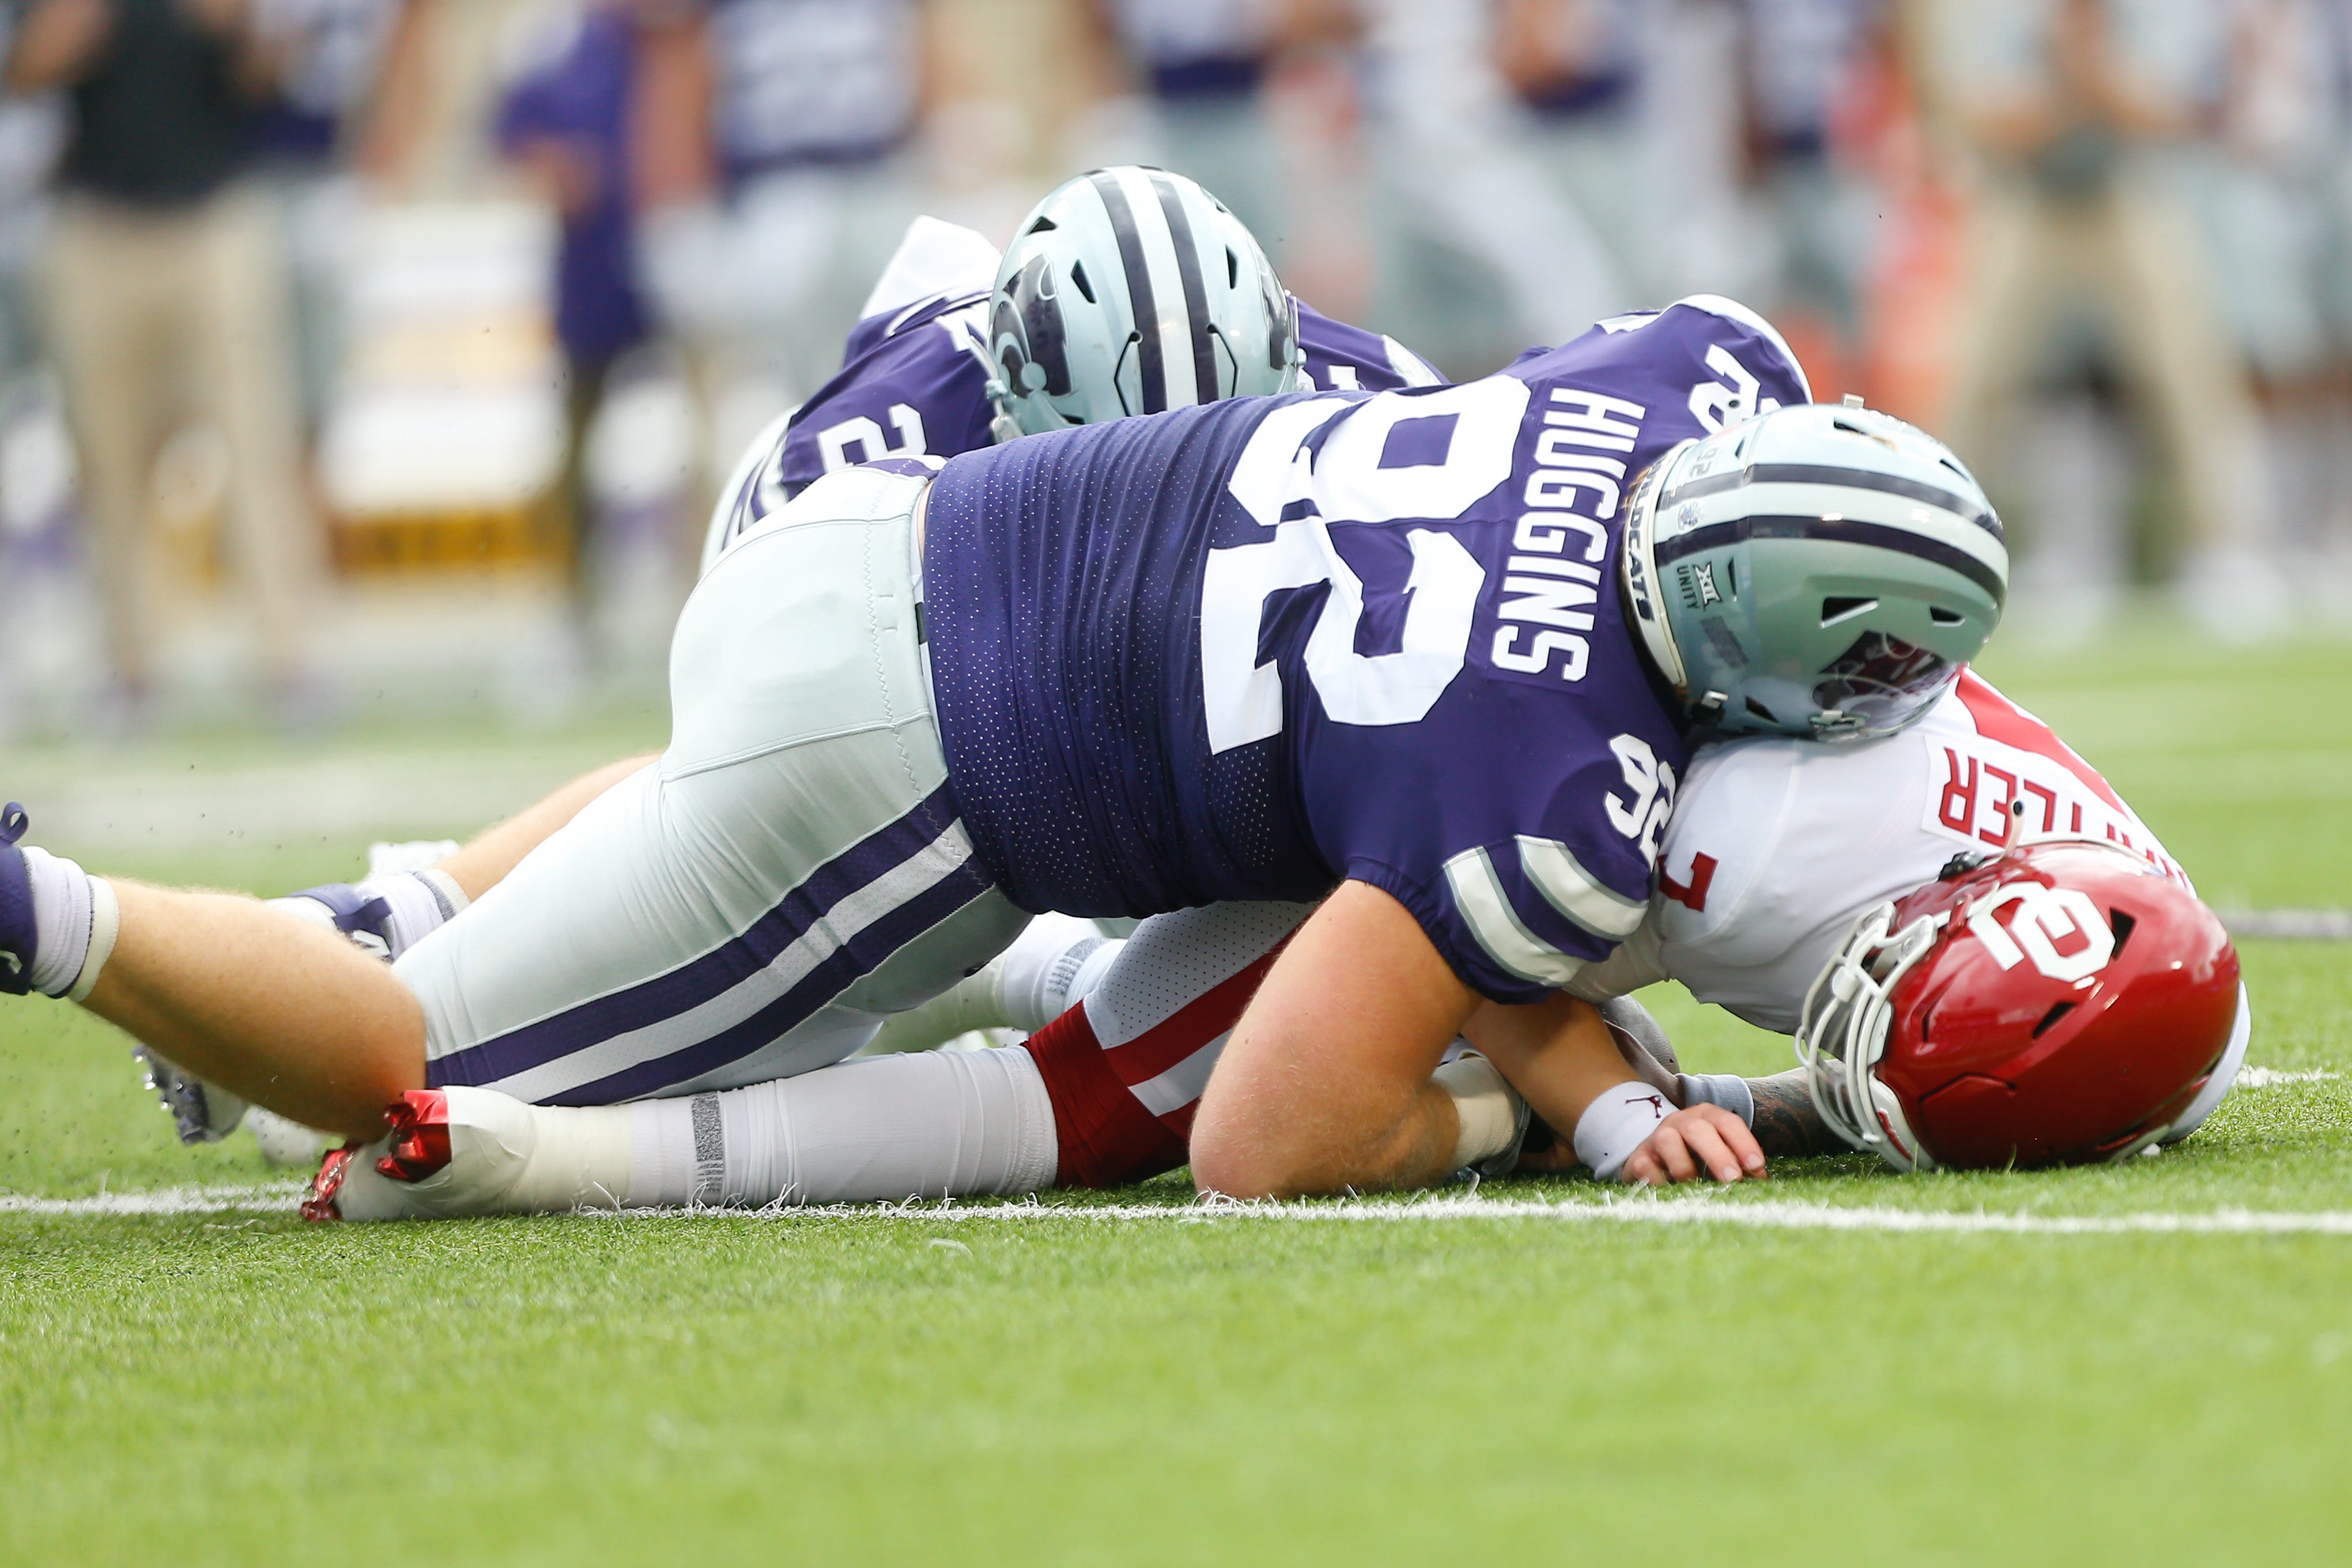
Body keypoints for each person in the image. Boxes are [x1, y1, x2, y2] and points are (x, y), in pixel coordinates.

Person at [3, 293, 2003, 1212]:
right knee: (381, 1088)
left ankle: (346, 911)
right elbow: (1268, 1141)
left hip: (886, 520)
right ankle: (57, 910)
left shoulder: (1678, 370)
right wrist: (1524, 1107)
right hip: (895, 770)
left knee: (680, 868)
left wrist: (1544, 1038)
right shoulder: (1559, 794)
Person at [297, 658, 2245, 1218]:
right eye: (1863, 1011)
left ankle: (413, 903)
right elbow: (1521, 919)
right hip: (1422, 741)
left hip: (1393, 674)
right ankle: (545, 1136)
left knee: (1013, 918)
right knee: (1127, 1097)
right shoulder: (1766, 836)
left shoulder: (2171, 982)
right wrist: (1585, 1106)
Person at [703, 165, 1443, 568]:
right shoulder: (861, 447)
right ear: (1009, 388)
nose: (1161, 517)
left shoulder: (1381, 399)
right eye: (1111, 468)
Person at [6, 0, 328, 723]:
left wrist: (236, 27)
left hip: (215, 216)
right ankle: (130, 669)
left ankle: (291, 662)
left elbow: (274, 78)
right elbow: (22, 76)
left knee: (255, 447)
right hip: (98, 224)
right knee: (108, 463)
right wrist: (63, 35)